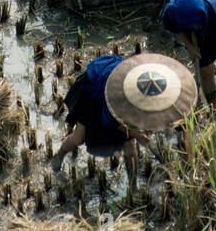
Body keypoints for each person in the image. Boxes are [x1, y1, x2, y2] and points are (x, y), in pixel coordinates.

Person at [53, 51, 196, 165]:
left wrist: (189, 153)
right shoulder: (119, 97)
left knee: (128, 143)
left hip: (121, 79)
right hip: (94, 91)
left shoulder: (172, 93)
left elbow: (185, 123)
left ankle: (132, 187)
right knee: (79, 138)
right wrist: (138, 135)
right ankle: (59, 155)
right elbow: (109, 122)